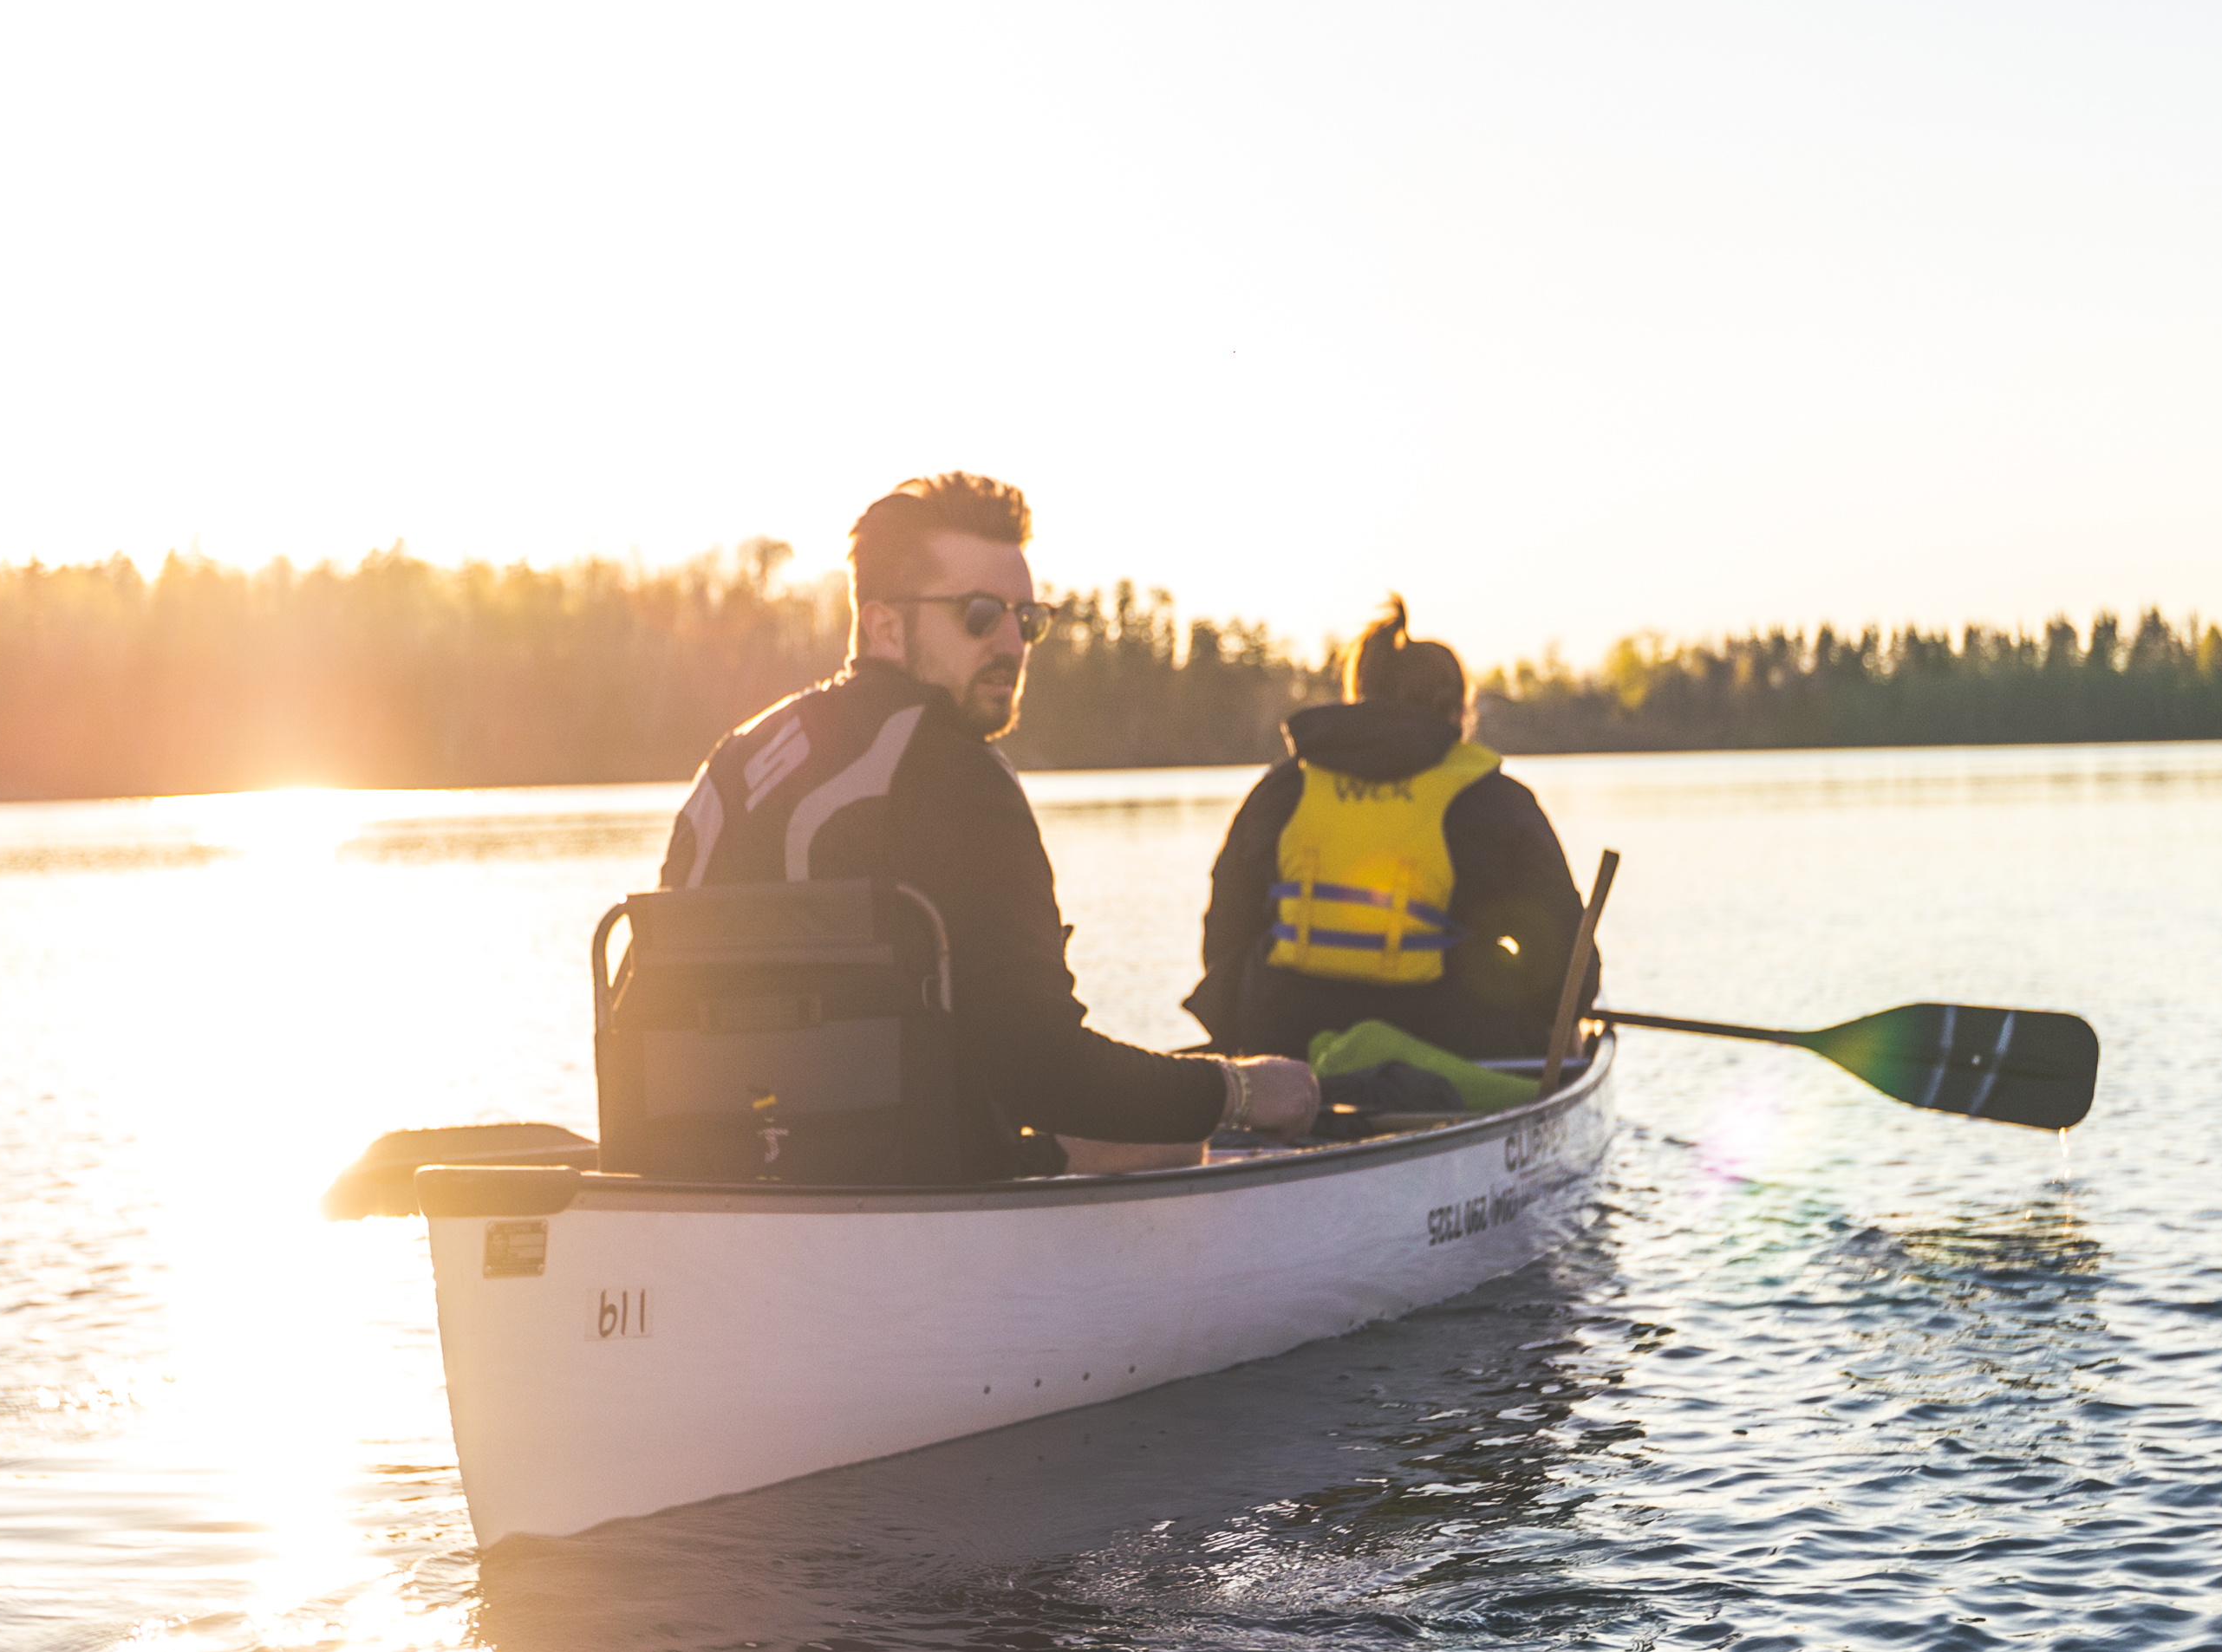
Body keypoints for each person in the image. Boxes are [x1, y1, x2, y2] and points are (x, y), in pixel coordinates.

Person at [661, 472, 1321, 1174]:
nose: (1012, 642)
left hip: (707, 1163)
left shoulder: (736, 757)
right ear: (884, 624)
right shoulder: (956, 774)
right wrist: (1240, 1089)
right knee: (1175, 1142)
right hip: (905, 1185)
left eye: (1028, 618)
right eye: (979, 614)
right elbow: (1045, 1068)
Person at [1186, 596, 1593, 1066]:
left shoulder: (1280, 791)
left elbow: (1222, 938)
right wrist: (1560, 1022)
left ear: (1356, 695)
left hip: (1284, 1035)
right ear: (1457, 713)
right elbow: (1566, 957)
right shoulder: (1495, 800)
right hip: (1453, 1046)